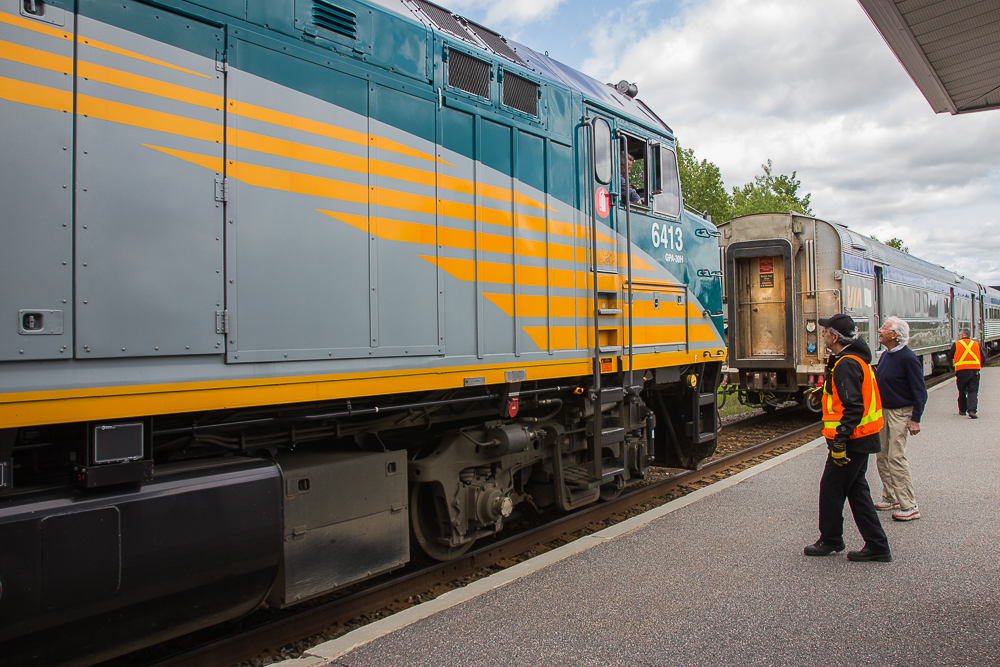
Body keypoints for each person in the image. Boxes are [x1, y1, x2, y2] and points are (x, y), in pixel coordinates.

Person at [804, 313, 891, 562]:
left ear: (835, 337)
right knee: (857, 490)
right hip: (861, 437)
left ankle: (831, 539)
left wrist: (840, 439)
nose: (823, 335)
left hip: (852, 440)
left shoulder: (847, 364)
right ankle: (877, 545)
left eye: (825, 331)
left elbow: (853, 406)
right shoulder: (852, 360)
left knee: (831, 488)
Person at [874, 317, 926, 522]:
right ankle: (891, 496)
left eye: (884, 328)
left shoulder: (908, 358)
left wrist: (915, 419)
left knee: (895, 457)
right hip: (884, 411)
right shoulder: (886, 356)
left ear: (894, 335)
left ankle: (909, 505)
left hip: (900, 413)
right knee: (881, 455)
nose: (879, 330)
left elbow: (920, 391)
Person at [948, 328, 981, 419]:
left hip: (961, 372)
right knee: (972, 391)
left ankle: (962, 410)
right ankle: (972, 411)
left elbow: (951, 355)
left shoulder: (956, 344)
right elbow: (983, 357)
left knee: (962, 391)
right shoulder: (976, 344)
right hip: (974, 372)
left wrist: (953, 366)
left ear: (962, 335)